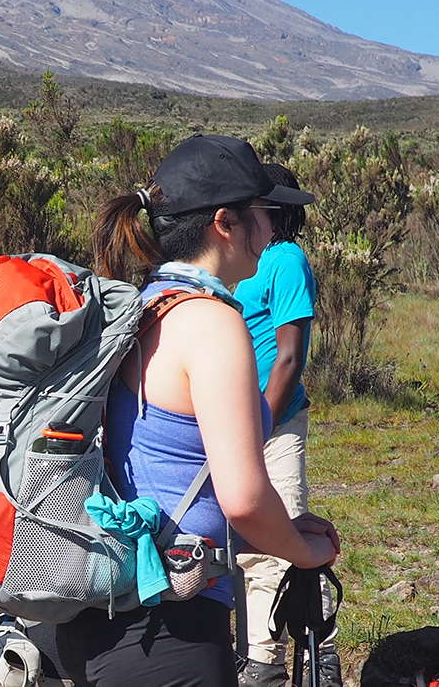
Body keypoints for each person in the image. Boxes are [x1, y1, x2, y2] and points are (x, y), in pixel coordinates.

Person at [50, 135, 341, 687]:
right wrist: (301, 552)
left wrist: (280, 532)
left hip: (106, 606)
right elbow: (243, 498)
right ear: (225, 223)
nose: (273, 228)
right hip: (172, 627)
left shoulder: (142, 306)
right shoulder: (211, 322)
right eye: (265, 212)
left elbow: (162, 472)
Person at [230, 163, 333, 687]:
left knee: (280, 531)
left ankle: (269, 660)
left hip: (275, 417)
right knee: (243, 538)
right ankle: (260, 649)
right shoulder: (246, 261)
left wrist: (263, 422)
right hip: (239, 417)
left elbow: (290, 356)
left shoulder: (285, 259)